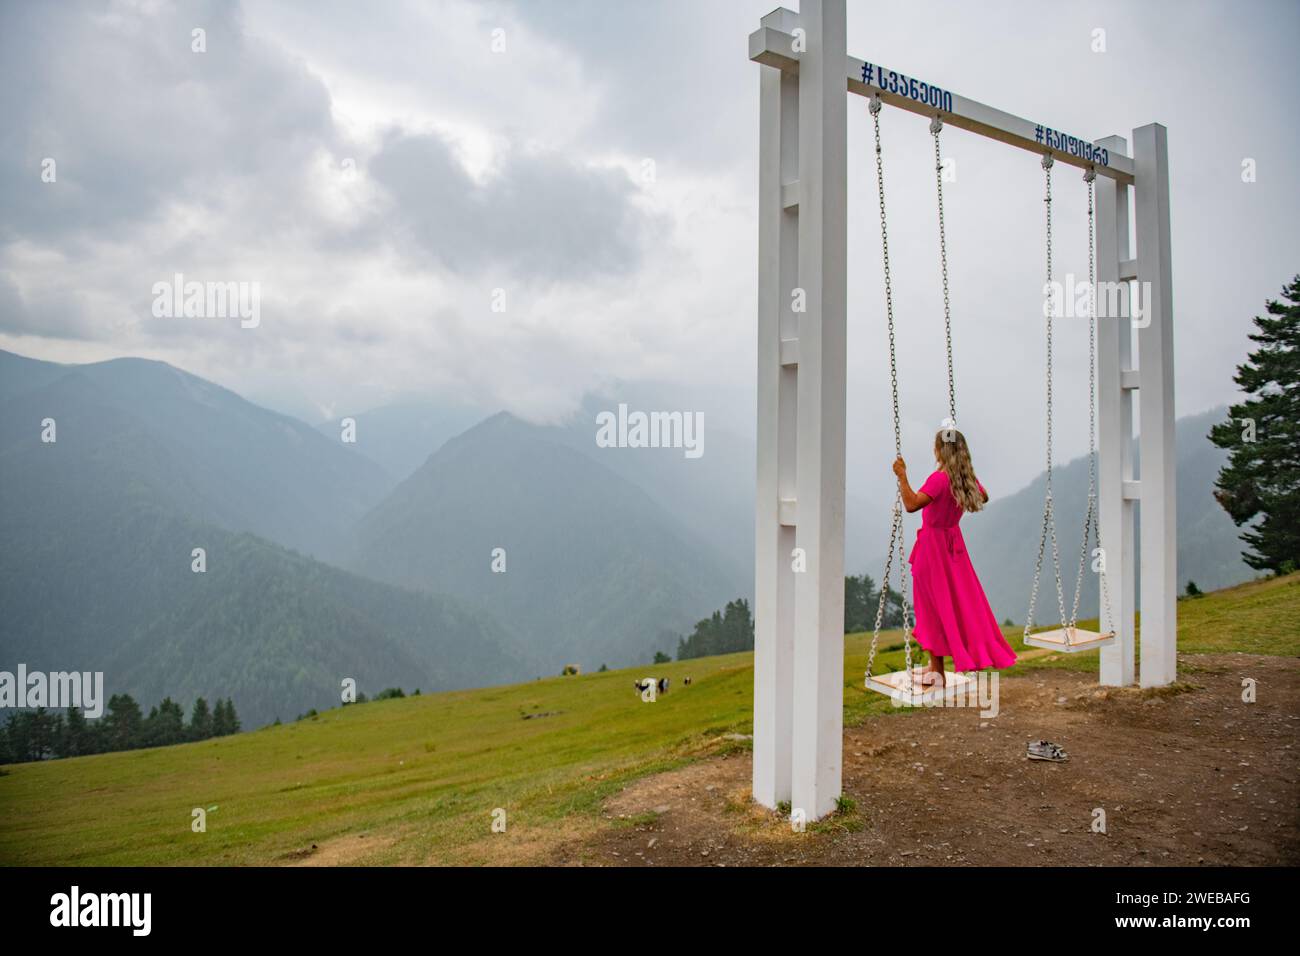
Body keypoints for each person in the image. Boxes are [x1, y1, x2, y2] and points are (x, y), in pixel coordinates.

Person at [892, 428, 1017, 688]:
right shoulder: (963, 478)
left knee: (930, 607)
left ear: (940, 450)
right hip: (954, 549)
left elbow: (912, 504)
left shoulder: (939, 479)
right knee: (954, 603)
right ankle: (935, 668)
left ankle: (937, 671)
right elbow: (983, 496)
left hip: (933, 549)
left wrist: (902, 477)